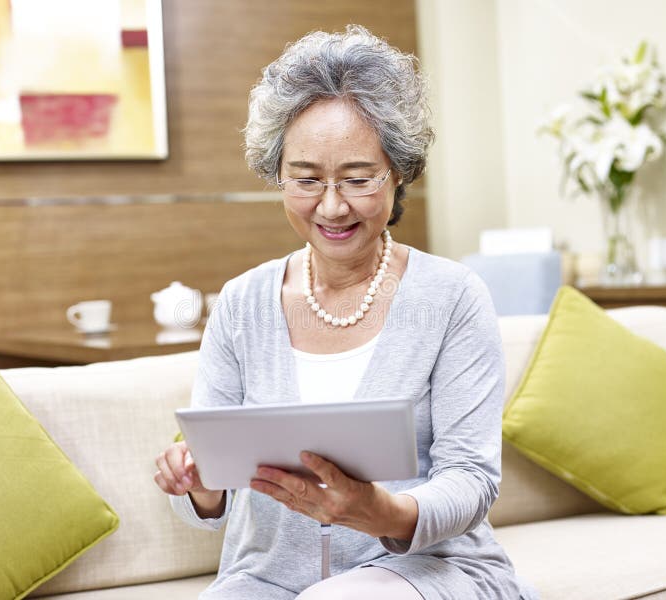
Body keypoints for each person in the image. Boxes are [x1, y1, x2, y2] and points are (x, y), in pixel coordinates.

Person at [154, 25, 537, 600]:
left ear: (398, 170)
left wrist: (381, 510)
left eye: (357, 179)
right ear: (276, 174)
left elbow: (472, 480)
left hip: (429, 571)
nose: (331, 206)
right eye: (306, 180)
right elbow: (216, 494)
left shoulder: (453, 297)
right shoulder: (241, 304)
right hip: (266, 580)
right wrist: (197, 484)